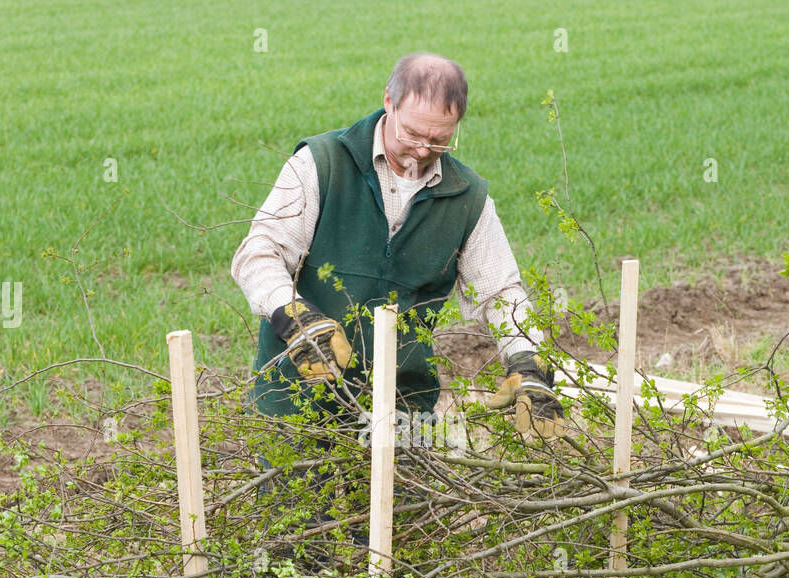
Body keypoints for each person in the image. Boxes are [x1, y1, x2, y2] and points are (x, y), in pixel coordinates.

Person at [230, 51, 566, 442]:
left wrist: (527, 362)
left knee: (403, 504)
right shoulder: (321, 164)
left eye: (440, 139)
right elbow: (258, 253)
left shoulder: (466, 198)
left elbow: (500, 291)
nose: (423, 150)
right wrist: (293, 316)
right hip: (297, 397)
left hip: (402, 406)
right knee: (295, 504)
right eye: (412, 134)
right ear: (389, 102)